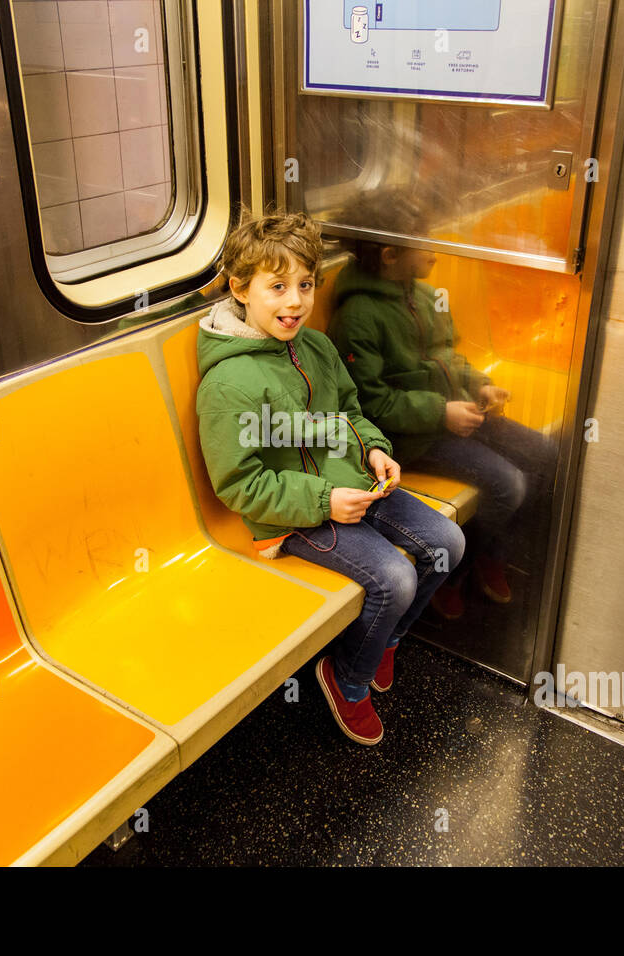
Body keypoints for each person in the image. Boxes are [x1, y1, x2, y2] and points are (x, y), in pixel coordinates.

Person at [196, 209, 465, 746]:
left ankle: (385, 638)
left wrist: (375, 452)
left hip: (353, 486)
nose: (295, 301)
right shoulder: (229, 384)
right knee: (395, 578)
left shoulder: (314, 346)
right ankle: (347, 678)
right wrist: (324, 500)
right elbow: (240, 486)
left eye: (305, 284)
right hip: (288, 514)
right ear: (240, 289)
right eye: (277, 287)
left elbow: (350, 411)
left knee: (446, 543)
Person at [327, 189, 555, 620]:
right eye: (424, 240)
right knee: (509, 484)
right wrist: (440, 412)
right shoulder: (358, 316)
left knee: (547, 455)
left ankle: (491, 551)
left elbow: (448, 354)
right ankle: (456, 574)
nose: (436, 245)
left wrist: (480, 385)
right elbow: (369, 403)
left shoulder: (426, 297)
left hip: (455, 415)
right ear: (391, 255)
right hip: (411, 437)